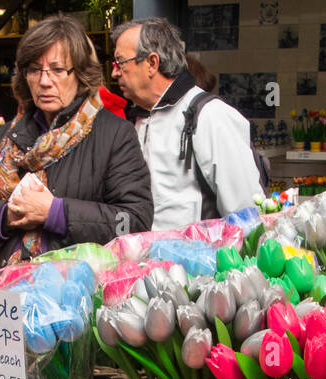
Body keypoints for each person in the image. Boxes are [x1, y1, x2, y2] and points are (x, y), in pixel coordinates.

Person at [0, 15, 152, 268]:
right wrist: (8, 215)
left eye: (57, 69)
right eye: (34, 69)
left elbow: (134, 220)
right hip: (10, 291)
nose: (44, 81)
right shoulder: (10, 134)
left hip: (80, 291)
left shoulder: (115, 134)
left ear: (80, 74)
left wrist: (55, 213)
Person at [111, 18, 261, 230]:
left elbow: (246, 216)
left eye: (120, 62)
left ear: (152, 63)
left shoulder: (211, 116)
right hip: (144, 261)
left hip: (201, 261)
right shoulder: (135, 119)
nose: (114, 72)